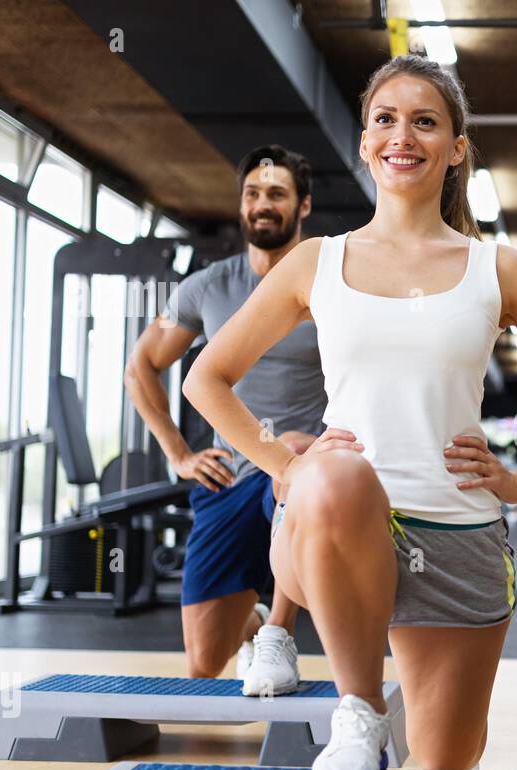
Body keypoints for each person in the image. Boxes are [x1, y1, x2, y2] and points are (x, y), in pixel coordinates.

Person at [182, 54, 517, 770]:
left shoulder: (499, 268)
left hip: (458, 537)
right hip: (334, 520)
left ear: (456, 147)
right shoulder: (314, 262)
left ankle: (302, 650)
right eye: (386, 120)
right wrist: (283, 465)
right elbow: (207, 377)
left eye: (426, 121)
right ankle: (354, 710)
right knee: (333, 475)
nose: (404, 135)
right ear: (364, 142)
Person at [125, 144, 324, 696]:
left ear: (302, 206)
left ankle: (276, 636)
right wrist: (178, 453)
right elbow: (141, 366)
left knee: (295, 452)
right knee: (204, 660)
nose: (263, 205)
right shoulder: (207, 287)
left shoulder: (329, 280)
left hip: (300, 461)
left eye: (277, 194)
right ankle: (257, 624)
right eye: (253, 194)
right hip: (231, 472)